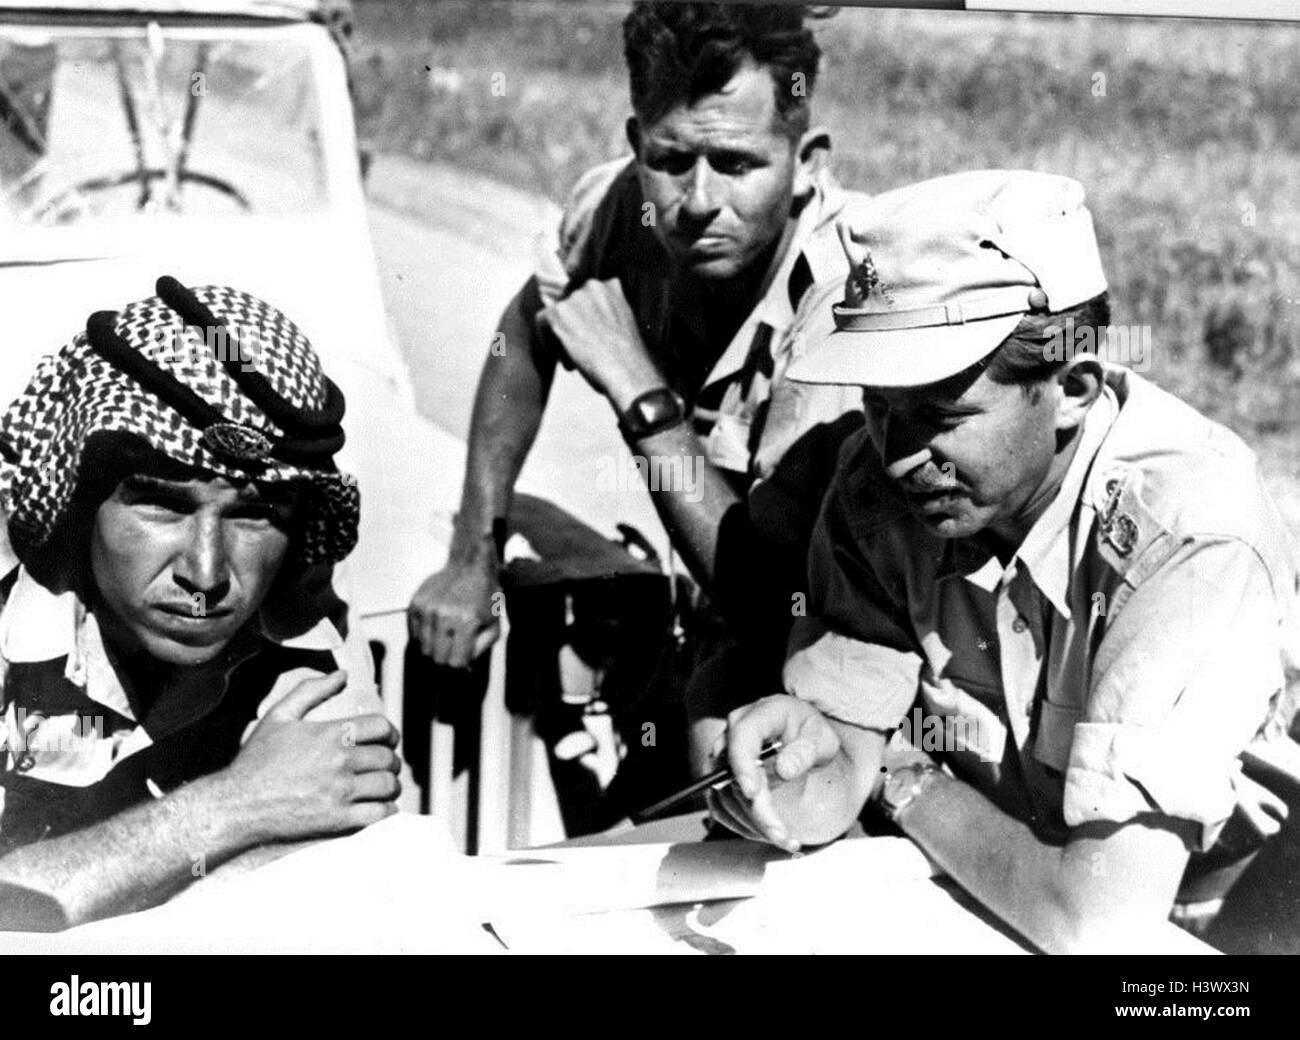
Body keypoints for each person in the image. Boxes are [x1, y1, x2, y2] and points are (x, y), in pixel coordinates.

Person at [710, 170, 1300, 953]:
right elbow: (843, 763)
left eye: (942, 415)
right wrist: (788, 782)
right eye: (879, 407)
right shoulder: (877, 490)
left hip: (1220, 922)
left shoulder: (1187, 530)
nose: (897, 456)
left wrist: (904, 776)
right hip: (993, 879)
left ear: (1073, 387)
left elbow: (1098, 923)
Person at [408, 2, 868, 771]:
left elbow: (772, 600)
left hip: (835, 645)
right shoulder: (625, 204)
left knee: (723, 763)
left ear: (809, 161)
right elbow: (524, 331)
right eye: (670, 158)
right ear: (635, 145)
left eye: (737, 165)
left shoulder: (843, 300)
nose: (696, 201)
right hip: (727, 604)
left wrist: (641, 398)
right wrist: (472, 551)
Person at [0, 276, 402, 930]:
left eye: (252, 515)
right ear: (81, 498)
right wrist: (232, 805)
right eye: (163, 504)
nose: (207, 572)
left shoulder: (296, 623)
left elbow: (331, 897)